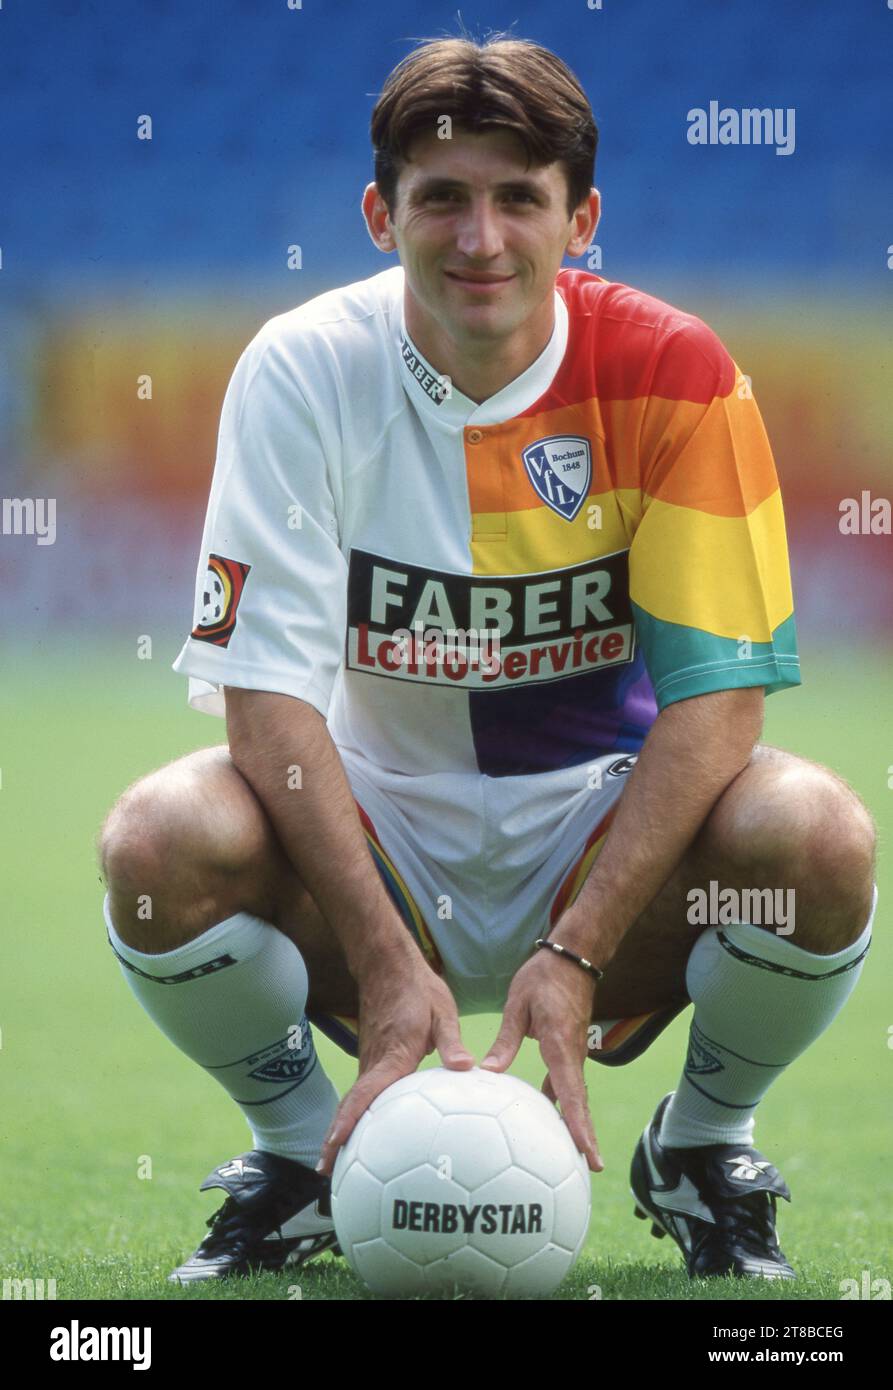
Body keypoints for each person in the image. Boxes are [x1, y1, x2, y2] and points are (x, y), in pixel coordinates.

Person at [99, 34, 877, 1286]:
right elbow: (267, 707)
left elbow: (719, 701)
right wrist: (388, 956)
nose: (479, 239)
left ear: (581, 220)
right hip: (371, 835)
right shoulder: (300, 371)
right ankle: (304, 1157)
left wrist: (574, 952)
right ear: (377, 213)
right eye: (441, 198)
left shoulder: (677, 374)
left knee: (818, 838)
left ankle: (702, 1144)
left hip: (599, 834)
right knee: (155, 844)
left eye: (519, 198)